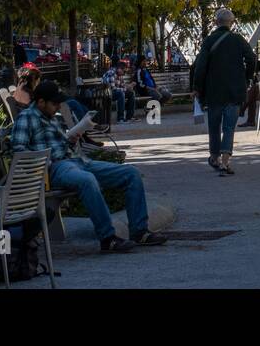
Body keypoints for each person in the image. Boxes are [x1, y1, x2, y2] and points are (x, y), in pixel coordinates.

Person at [11, 81, 167, 252]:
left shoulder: (52, 118)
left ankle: (139, 231)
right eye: (54, 103)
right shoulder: (26, 117)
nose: (57, 106)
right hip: (55, 168)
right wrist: (45, 162)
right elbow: (19, 151)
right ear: (40, 102)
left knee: (131, 173)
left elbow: (59, 144)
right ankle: (108, 238)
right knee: (87, 180)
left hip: (79, 161)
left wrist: (70, 141)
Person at [193, 7, 257, 175]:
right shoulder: (238, 40)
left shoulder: (208, 41)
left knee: (214, 126)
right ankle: (226, 161)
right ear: (232, 23)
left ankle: (214, 158)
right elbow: (251, 59)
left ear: (216, 22)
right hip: (234, 90)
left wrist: (197, 87)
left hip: (214, 91)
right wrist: (247, 77)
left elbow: (200, 66)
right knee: (229, 127)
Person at [102, 57, 137, 123]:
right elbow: (113, 89)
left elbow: (122, 85)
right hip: (107, 93)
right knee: (121, 93)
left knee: (131, 93)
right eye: (124, 71)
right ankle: (120, 118)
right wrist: (125, 88)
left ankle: (129, 117)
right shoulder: (111, 73)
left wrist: (129, 86)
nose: (124, 73)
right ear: (119, 69)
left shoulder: (119, 75)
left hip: (114, 92)